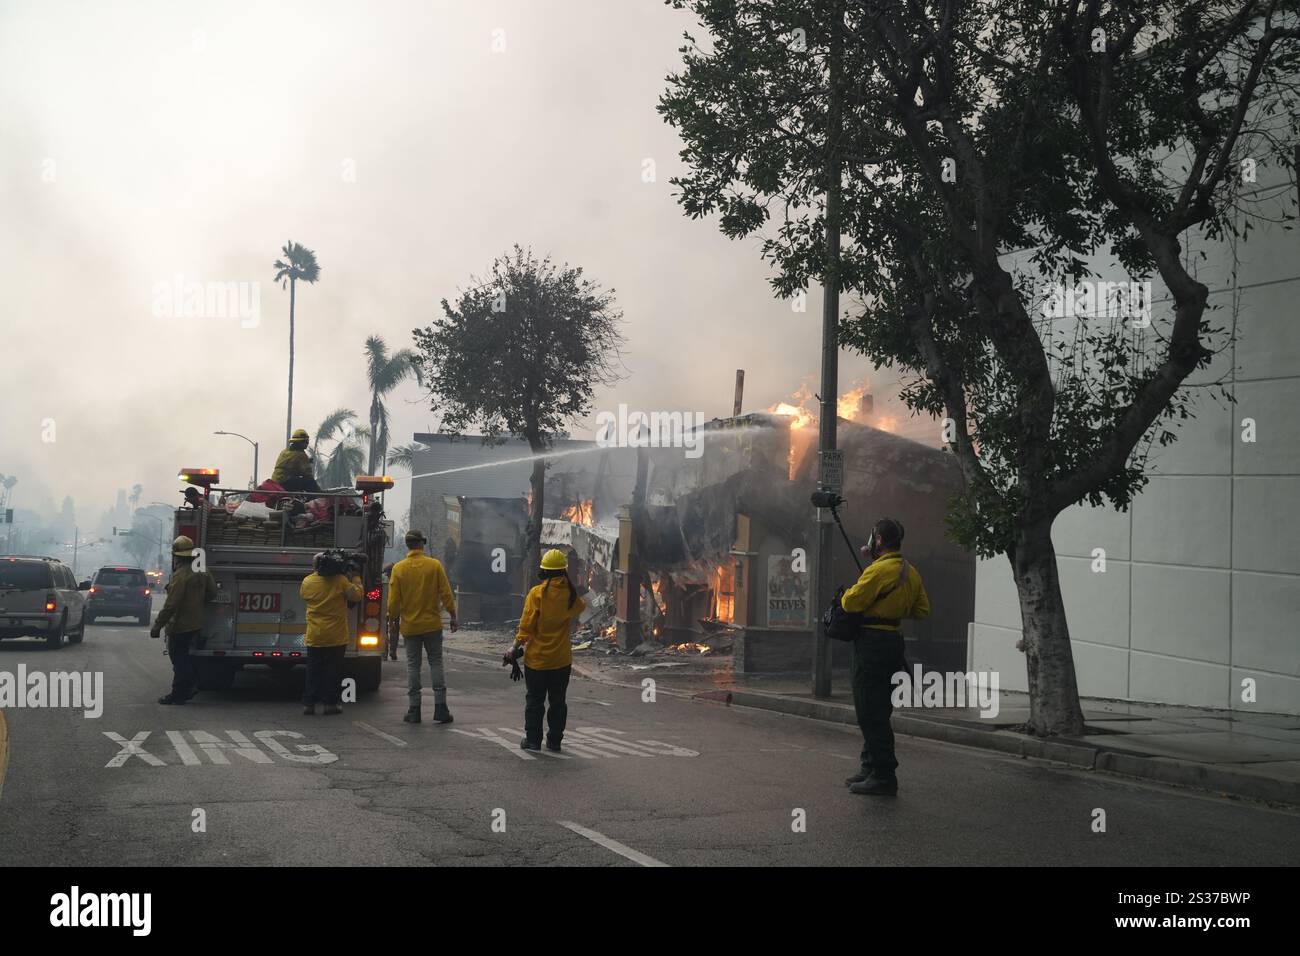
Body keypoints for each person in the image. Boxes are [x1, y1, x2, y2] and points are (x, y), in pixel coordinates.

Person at [840, 518, 930, 796]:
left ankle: (883, 774)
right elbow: (922, 610)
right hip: (894, 642)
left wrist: (872, 577)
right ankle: (869, 766)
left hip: (871, 644)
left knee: (869, 709)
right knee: (880, 707)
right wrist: (895, 607)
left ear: (878, 541)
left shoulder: (878, 571)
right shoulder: (910, 571)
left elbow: (849, 602)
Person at [503, 549, 586, 753]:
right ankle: (555, 741)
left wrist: (514, 648)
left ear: (544, 571)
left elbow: (526, 626)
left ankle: (533, 740)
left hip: (537, 660)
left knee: (535, 701)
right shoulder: (570, 595)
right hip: (561, 660)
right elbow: (580, 608)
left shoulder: (537, 593)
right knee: (558, 702)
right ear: (563, 571)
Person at [388, 530, 458, 724]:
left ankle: (414, 709)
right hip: (432, 625)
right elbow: (446, 593)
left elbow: (393, 601)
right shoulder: (434, 566)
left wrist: (393, 620)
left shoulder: (399, 569)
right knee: (436, 662)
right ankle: (441, 708)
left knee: (413, 665)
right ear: (422, 544)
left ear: (408, 545)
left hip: (410, 627)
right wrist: (453, 615)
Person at [150, 535, 217, 705]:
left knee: (179, 661)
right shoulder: (203, 570)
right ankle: (188, 687)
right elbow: (212, 593)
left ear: (177, 556)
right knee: (186, 658)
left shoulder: (180, 575)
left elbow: (171, 604)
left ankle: (179, 693)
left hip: (179, 625)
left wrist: (157, 626)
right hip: (196, 623)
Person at [299, 550, 363, 716]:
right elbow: (356, 596)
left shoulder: (307, 582)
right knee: (331, 671)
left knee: (313, 670)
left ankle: (309, 704)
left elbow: (304, 596)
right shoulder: (340, 581)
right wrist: (355, 577)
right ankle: (330, 704)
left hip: (314, 635)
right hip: (336, 636)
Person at [272, 428, 321, 493]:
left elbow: (289, 464)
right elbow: (307, 474)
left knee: (299, 480)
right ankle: (318, 496)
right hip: (285, 483)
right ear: (300, 442)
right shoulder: (301, 455)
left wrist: (307, 461)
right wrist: (318, 490)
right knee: (309, 482)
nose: (307, 444)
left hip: (276, 481)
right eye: (306, 442)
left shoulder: (284, 452)